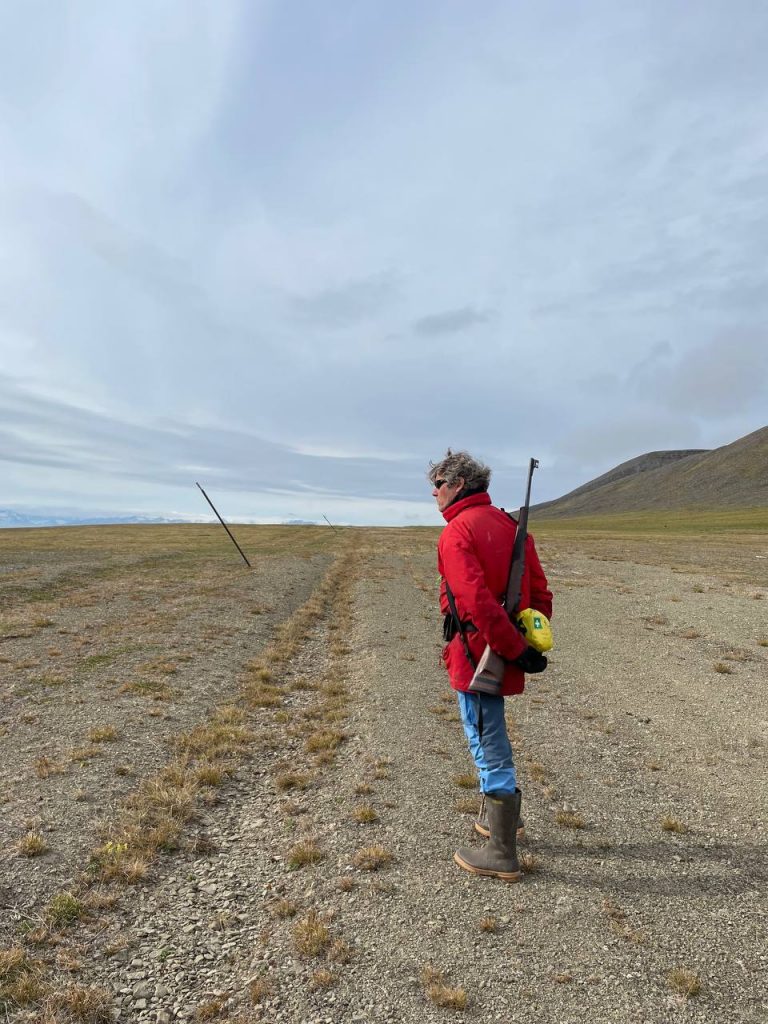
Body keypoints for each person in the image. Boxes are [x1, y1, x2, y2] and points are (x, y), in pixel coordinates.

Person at [430, 449, 553, 882]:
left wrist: (509, 648)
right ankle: (504, 823)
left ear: (459, 484)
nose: (434, 492)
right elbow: (540, 595)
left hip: (477, 653)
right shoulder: (511, 526)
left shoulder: (457, 532)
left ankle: (502, 851)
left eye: (439, 484)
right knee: (491, 734)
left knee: (487, 741)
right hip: (504, 646)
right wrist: (524, 644)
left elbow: (475, 601)